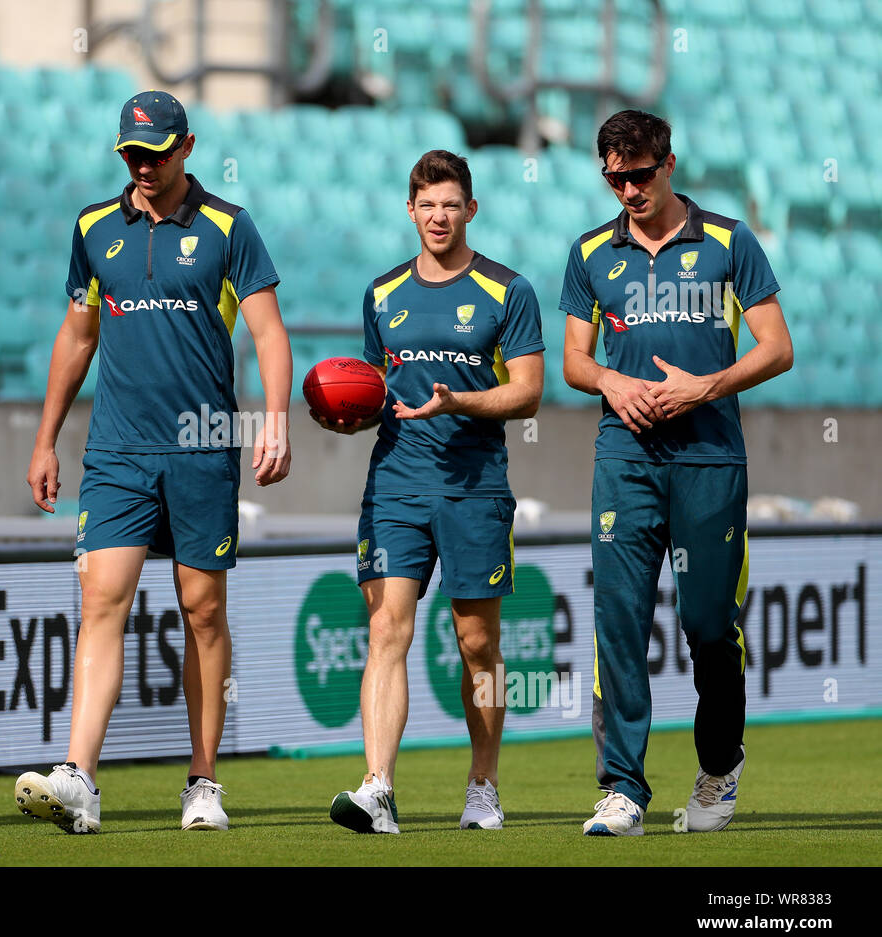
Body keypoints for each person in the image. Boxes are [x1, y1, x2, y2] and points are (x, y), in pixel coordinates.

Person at [18, 91, 292, 833]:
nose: (142, 166)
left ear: (187, 147)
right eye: (131, 154)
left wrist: (274, 420)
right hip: (116, 451)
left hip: (204, 448)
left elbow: (269, 332)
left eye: (156, 153)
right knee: (102, 599)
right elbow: (77, 336)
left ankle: (203, 781)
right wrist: (45, 438)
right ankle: (80, 777)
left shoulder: (230, 227)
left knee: (203, 610)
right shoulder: (93, 227)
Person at [559, 109, 793, 836]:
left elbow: (777, 347)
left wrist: (703, 387)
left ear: (667, 164)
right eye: (614, 179)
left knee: (707, 625)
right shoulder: (590, 251)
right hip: (624, 459)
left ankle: (719, 767)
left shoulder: (728, 239)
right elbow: (573, 361)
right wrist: (609, 381)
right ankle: (622, 789)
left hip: (709, 458)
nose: (627, 190)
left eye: (638, 175)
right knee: (619, 617)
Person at [317, 150, 544, 834]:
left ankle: (484, 784)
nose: (439, 216)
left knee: (478, 643)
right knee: (386, 628)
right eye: (427, 205)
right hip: (395, 484)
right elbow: (372, 391)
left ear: (470, 209)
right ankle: (378, 787)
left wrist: (459, 401)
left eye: (451, 204)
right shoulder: (382, 292)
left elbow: (529, 393)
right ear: (410, 211)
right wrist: (345, 416)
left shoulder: (509, 290)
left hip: (476, 489)